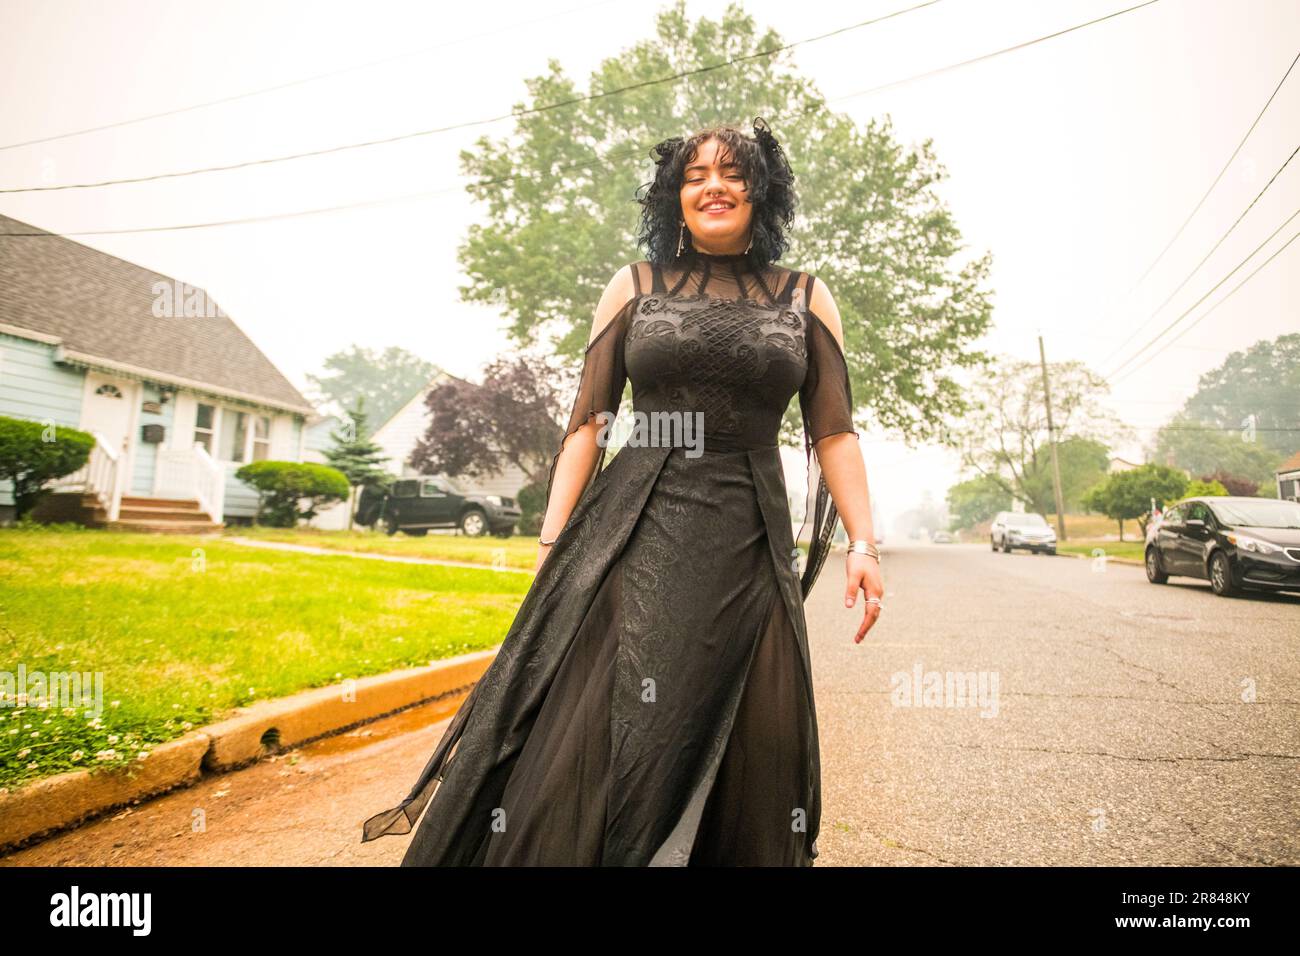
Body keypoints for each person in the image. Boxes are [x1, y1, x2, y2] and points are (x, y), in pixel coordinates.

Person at [360, 116, 884, 866]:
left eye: (731, 172)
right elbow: (588, 425)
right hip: (633, 523)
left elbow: (833, 434)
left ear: (760, 191)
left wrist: (863, 542)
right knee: (598, 725)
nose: (713, 186)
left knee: (758, 730)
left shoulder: (805, 296)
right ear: (673, 198)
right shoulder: (633, 287)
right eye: (694, 175)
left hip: (749, 530)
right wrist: (552, 543)